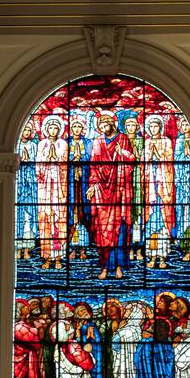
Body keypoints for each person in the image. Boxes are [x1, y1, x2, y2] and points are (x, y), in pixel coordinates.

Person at [86, 112, 134, 279]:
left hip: (119, 190)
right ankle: (105, 268)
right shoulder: (98, 141)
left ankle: (119, 267)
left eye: (105, 126)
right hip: (101, 190)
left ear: (112, 125)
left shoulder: (123, 139)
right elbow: (93, 164)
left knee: (119, 230)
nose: (103, 129)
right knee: (102, 231)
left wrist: (123, 153)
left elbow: (132, 160)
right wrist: (92, 185)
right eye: (100, 127)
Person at [36, 116, 68, 269]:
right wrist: (47, 159)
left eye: (56, 127)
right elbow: (38, 166)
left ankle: (58, 258)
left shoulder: (63, 143)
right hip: (45, 188)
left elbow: (64, 165)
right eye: (50, 127)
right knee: (45, 221)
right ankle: (47, 257)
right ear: (46, 129)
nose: (53, 130)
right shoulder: (42, 144)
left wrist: (56, 158)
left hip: (59, 188)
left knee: (59, 221)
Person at [143, 116, 175, 269]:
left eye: (156, 126)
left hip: (163, 186)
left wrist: (159, 155)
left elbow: (169, 159)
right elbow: (144, 161)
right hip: (151, 189)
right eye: (151, 127)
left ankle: (162, 257)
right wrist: (150, 156)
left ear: (160, 127)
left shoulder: (167, 141)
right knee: (151, 227)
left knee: (162, 227)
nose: (153, 129)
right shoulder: (147, 142)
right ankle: (152, 256)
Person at [67, 115, 92, 260]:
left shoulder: (87, 142)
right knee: (72, 215)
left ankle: (83, 248)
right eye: (74, 126)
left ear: (83, 129)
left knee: (83, 214)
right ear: (71, 129)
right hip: (70, 183)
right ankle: (72, 248)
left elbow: (90, 157)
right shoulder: (66, 142)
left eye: (79, 127)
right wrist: (72, 160)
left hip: (83, 183)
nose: (77, 129)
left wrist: (81, 160)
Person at [122, 114, 146, 261]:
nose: (131, 127)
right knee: (126, 217)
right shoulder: (122, 141)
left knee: (138, 217)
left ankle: (138, 248)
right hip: (124, 181)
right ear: (125, 127)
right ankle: (128, 248)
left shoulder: (141, 141)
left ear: (137, 127)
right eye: (128, 125)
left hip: (138, 179)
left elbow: (143, 159)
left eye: (134, 125)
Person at [174, 116, 190, 262]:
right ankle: (186, 251)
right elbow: (176, 159)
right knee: (183, 217)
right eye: (183, 123)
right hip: (183, 183)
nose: (185, 126)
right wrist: (184, 155)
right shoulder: (178, 142)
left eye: (188, 123)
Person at [17, 119, 39, 260]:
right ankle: (17, 249)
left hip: (30, 183)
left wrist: (28, 161)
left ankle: (27, 250)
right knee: (17, 217)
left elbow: (37, 162)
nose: (26, 132)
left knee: (28, 218)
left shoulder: (33, 146)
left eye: (28, 130)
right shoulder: (16, 146)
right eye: (24, 130)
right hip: (18, 182)